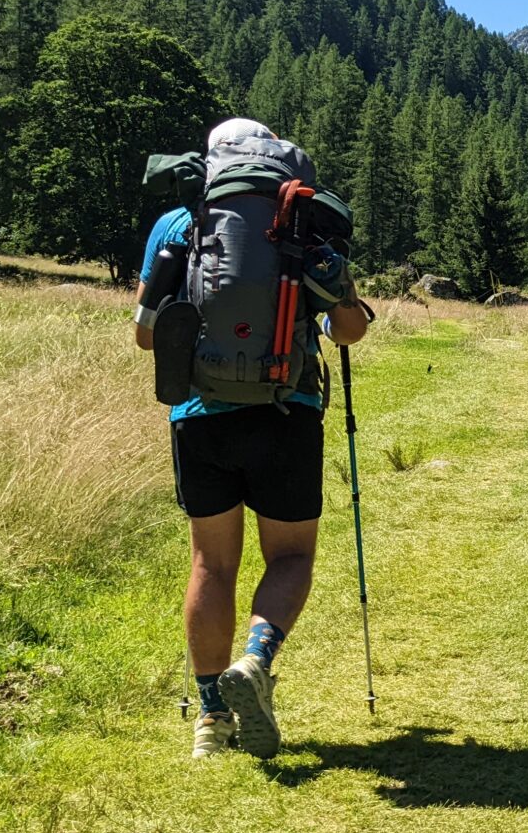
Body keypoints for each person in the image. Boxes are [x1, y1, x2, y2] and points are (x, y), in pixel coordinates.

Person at [134, 118, 370, 759]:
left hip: (198, 413)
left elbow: (147, 335)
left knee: (212, 564)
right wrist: (335, 282)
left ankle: (211, 719)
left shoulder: (180, 223)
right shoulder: (302, 223)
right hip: (286, 408)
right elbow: (347, 332)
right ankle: (257, 662)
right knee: (289, 559)